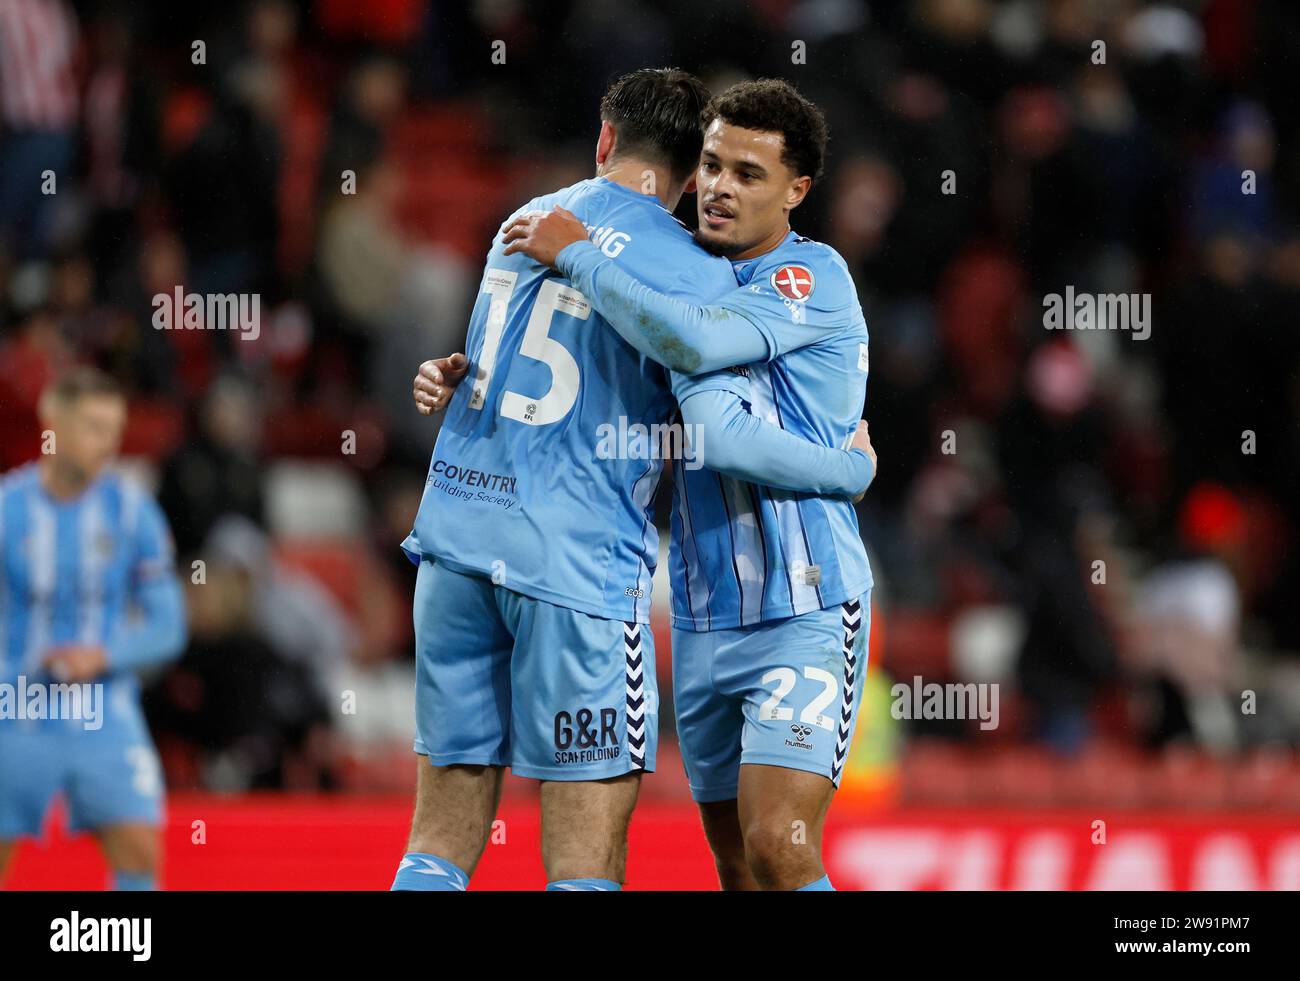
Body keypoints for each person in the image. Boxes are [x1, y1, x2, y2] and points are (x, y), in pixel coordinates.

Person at [393, 68, 874, 892]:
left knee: (774, 847)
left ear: (605, 139)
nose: (720, 188)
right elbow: (695, 381)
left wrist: (462, 372)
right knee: (653, 858)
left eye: (745, 174)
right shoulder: (690, 267)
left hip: (789, 600)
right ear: (689, 170)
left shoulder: (530, 218)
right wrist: (852, 466)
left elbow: (690, 399)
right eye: (715, 167)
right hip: (623, 583)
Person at [0, 368, 187, 889]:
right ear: (52, 425)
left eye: (114, 428)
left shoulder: (134, 514)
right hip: (13, 708)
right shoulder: (6, 510)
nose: (108, 443)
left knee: (137, 847)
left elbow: (168, 625)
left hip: (103, 708)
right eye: (92, 427)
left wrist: (102, 656)